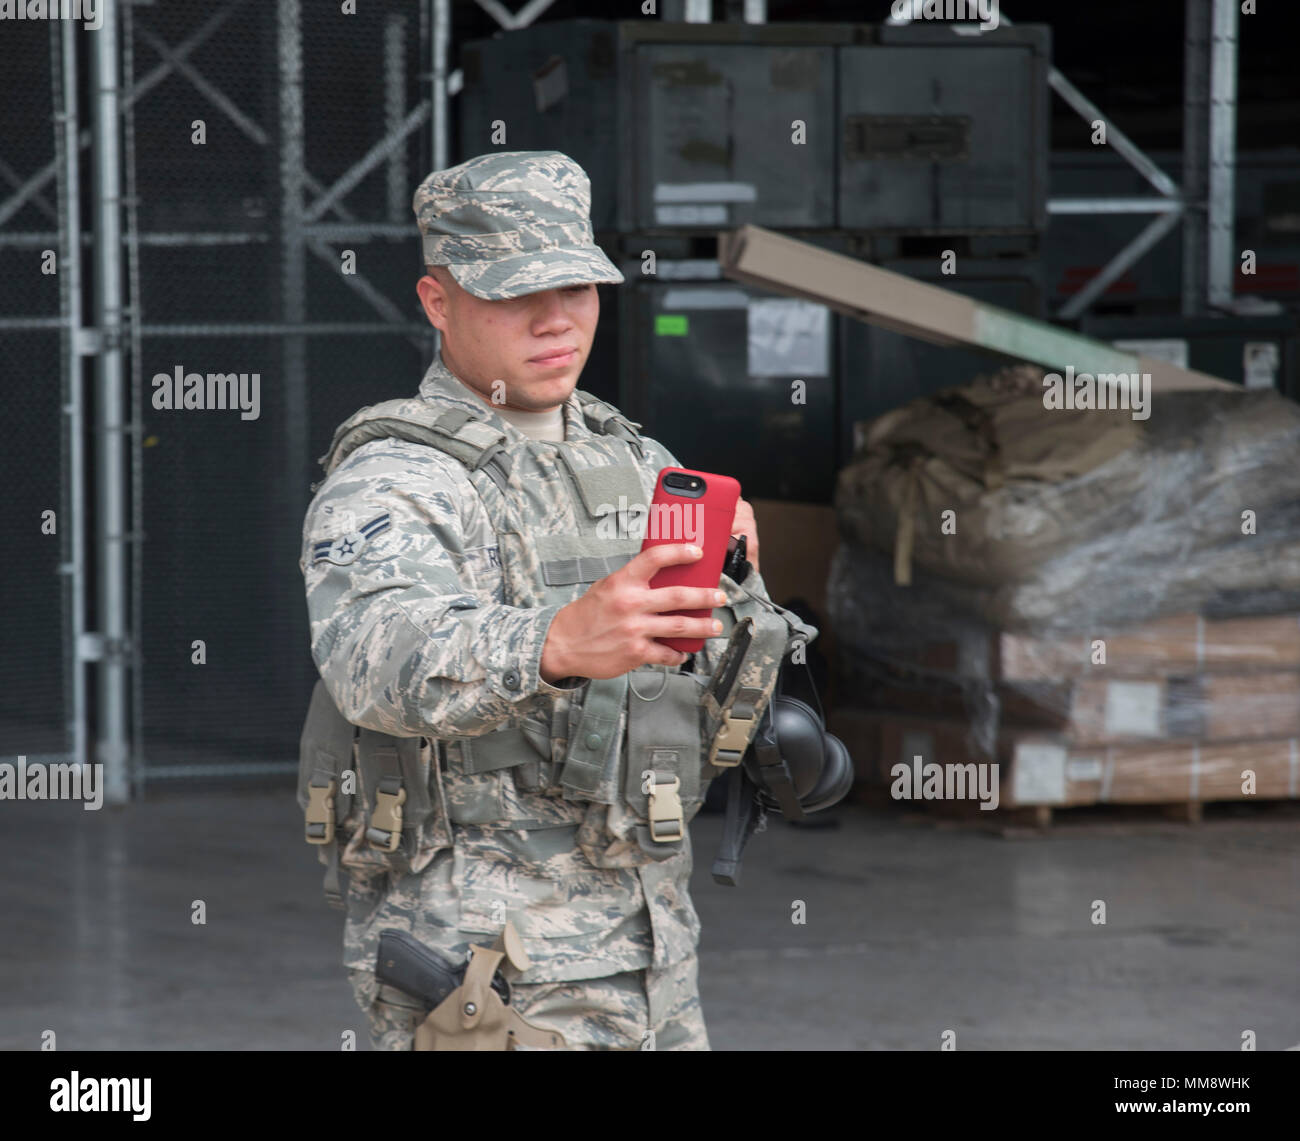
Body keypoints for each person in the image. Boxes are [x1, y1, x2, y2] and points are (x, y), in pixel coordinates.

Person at [299, 150, 812, 1050]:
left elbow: (690, 683)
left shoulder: (639, 462)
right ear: (438, 302)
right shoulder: (397, 476)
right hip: (487, 960)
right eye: (514, 292)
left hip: (652, 948)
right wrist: (554, 642)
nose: (555, 319)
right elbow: (372, 653)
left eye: (575, 286)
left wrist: (742, 606)